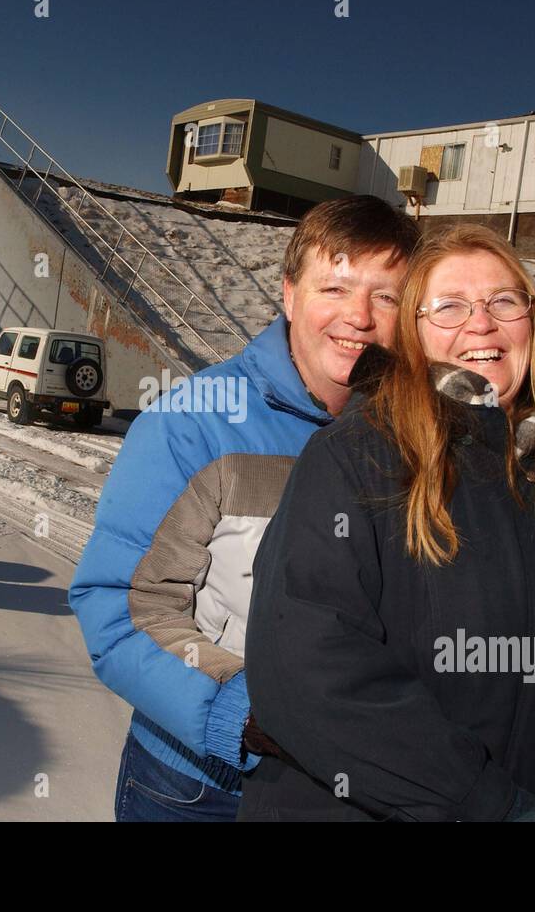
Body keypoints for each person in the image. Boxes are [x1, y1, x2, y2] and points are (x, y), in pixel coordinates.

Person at [239, 223, 535, 822]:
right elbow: (310, 673)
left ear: (533, 321)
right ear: (413, 336)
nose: (481, 323)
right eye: (449, 306)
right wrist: (494, 810)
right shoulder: (356, 459)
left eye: (505, 300)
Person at [69, 196, 422, 821]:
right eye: (333, 287)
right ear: (289, 295)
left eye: (386, 296)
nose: (359, 317)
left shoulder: (419, 437)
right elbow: (121, 610)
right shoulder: (195, 423)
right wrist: (247, 715)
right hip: (200, 787)